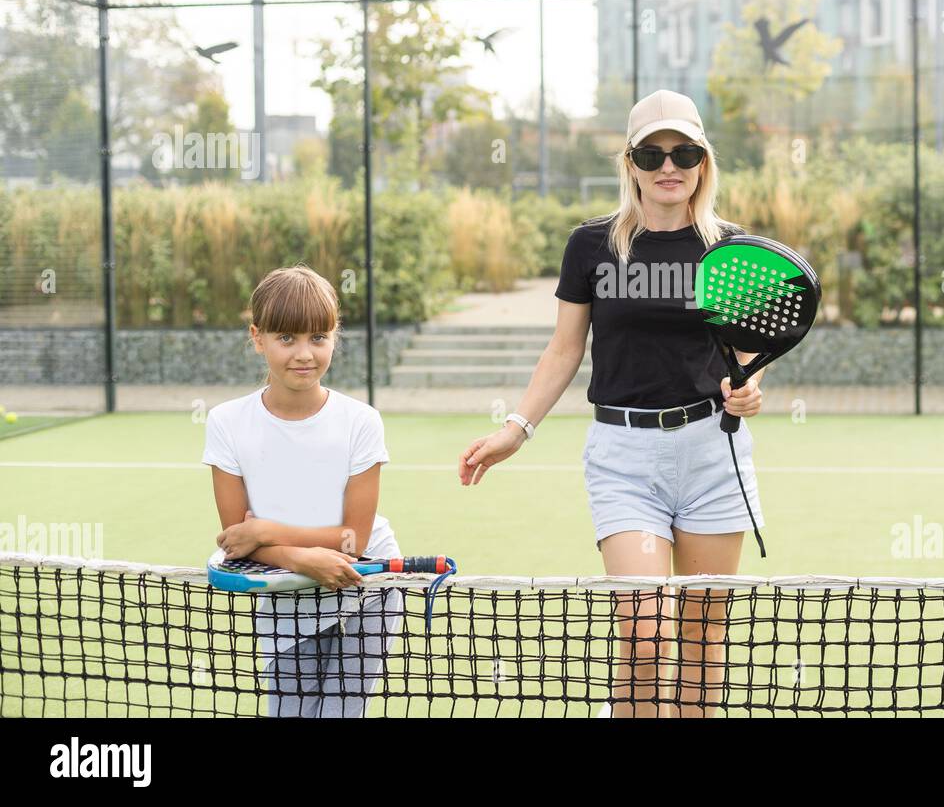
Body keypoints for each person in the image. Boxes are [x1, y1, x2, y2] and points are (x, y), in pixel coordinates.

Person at [457, 89, 765, 717]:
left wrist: (749, 392)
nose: (668, 166)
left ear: (704, 160)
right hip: (623, 455)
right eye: (652, 154)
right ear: (630, 163)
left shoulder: (729, 247)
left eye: (684, 151)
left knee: (705, 640)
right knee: (644, 635)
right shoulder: (592, 245)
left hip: (713, 453)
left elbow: (741, 353)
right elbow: (564, 349)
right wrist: (516, 427)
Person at [203, 263, 402, 717]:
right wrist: (297, 558)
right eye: (286, 338)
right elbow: (238, 540)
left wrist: (267, 530)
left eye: (318, 337)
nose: (304, 354)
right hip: (282, 590)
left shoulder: (361, 421)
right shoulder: (226, 423)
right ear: (258, 338)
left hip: (365, 586)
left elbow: (355, 539)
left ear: (335, 336)